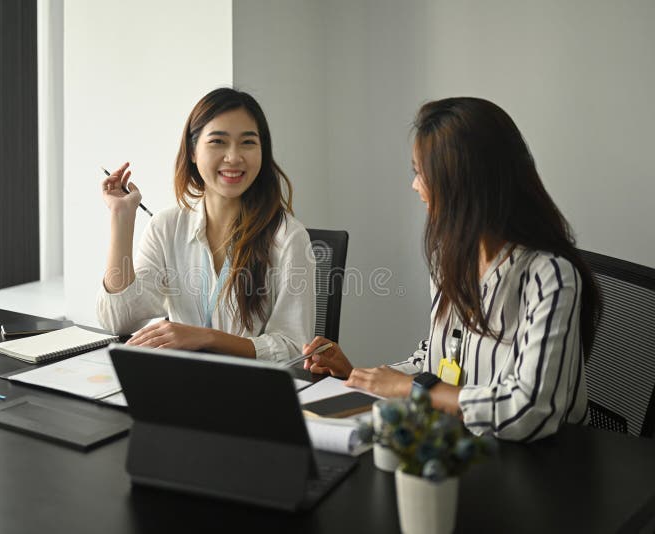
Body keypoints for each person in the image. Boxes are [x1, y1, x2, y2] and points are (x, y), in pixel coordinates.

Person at [303, 97, 600, 441]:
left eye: (420, 173)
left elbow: (528, 409)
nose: (415, 186)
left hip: (545, 467)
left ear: (464, 182)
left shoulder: (549, 275)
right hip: (463, 450)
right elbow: (437, 360)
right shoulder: (451, 260)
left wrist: (410, 390)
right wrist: (358, 375)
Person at [97, 88, 315, 362]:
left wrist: (206, 338)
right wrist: (121, 217)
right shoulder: (167, 226)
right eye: (218, 142)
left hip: (253, 390)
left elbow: (294, 348)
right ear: (192, 151)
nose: (234, 157)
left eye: (248, 142)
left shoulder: (288, 237)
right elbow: (118, 320)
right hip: (183, 384)